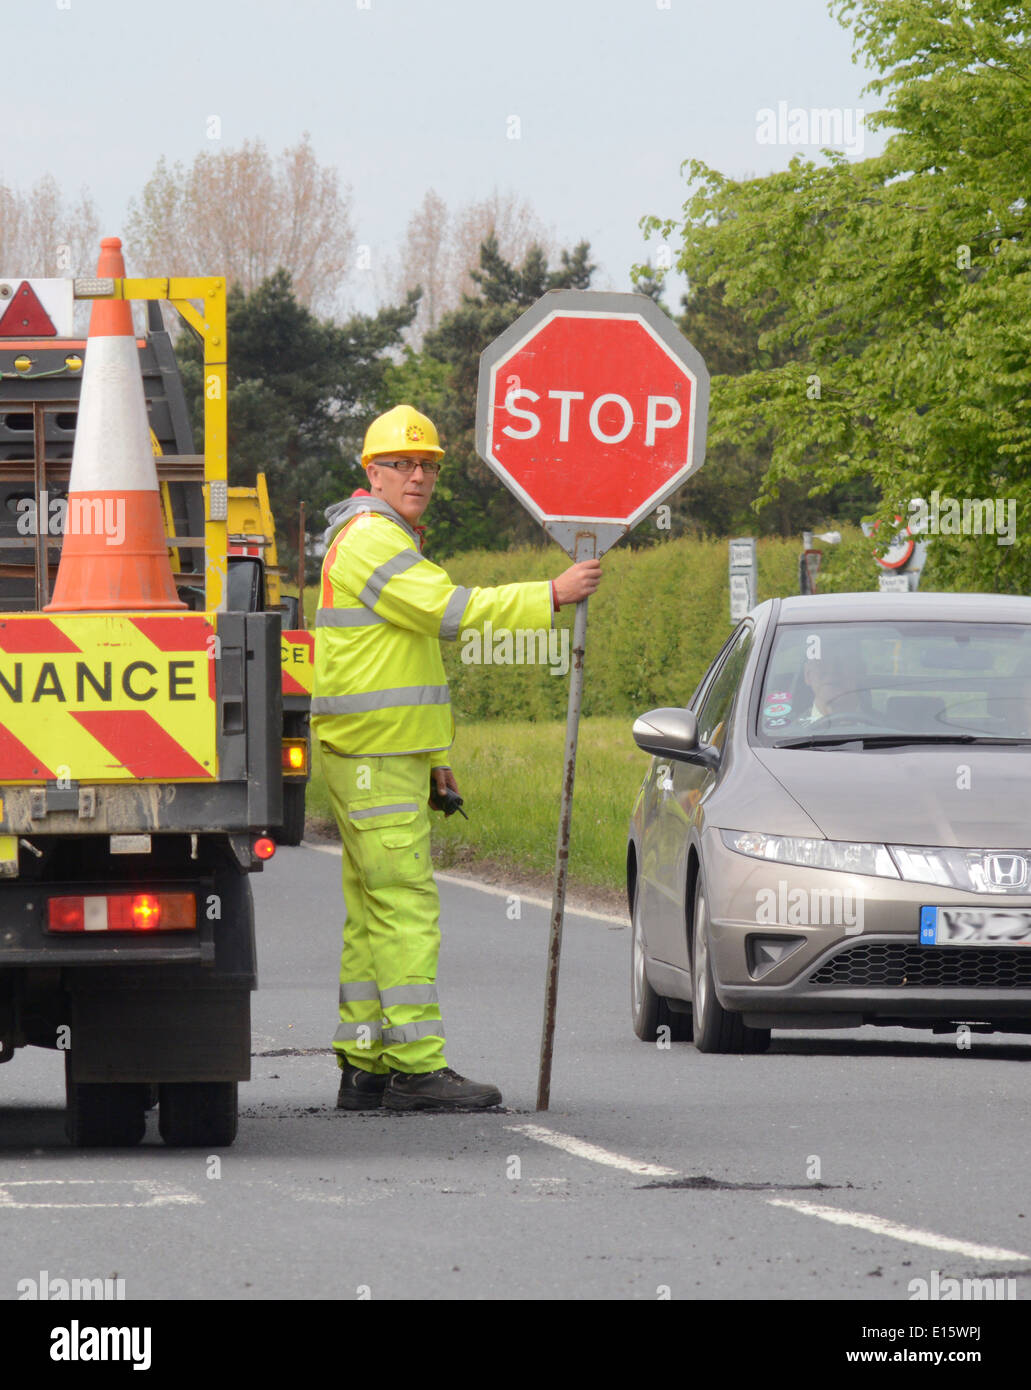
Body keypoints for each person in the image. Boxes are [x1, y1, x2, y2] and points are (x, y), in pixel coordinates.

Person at [312, 405, 602, 1112]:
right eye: (402, 465)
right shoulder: (372, 540)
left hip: (383, 753)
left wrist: (434, 756)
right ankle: (416, 1069)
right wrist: (549, 595)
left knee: (372, 909)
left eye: (427, 465)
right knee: (405, 904)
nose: (417, 476)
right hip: (374, 755)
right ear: (371, 473)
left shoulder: (378, 536)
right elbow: (445, 613)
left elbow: (399, 654)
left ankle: (366, 1063)